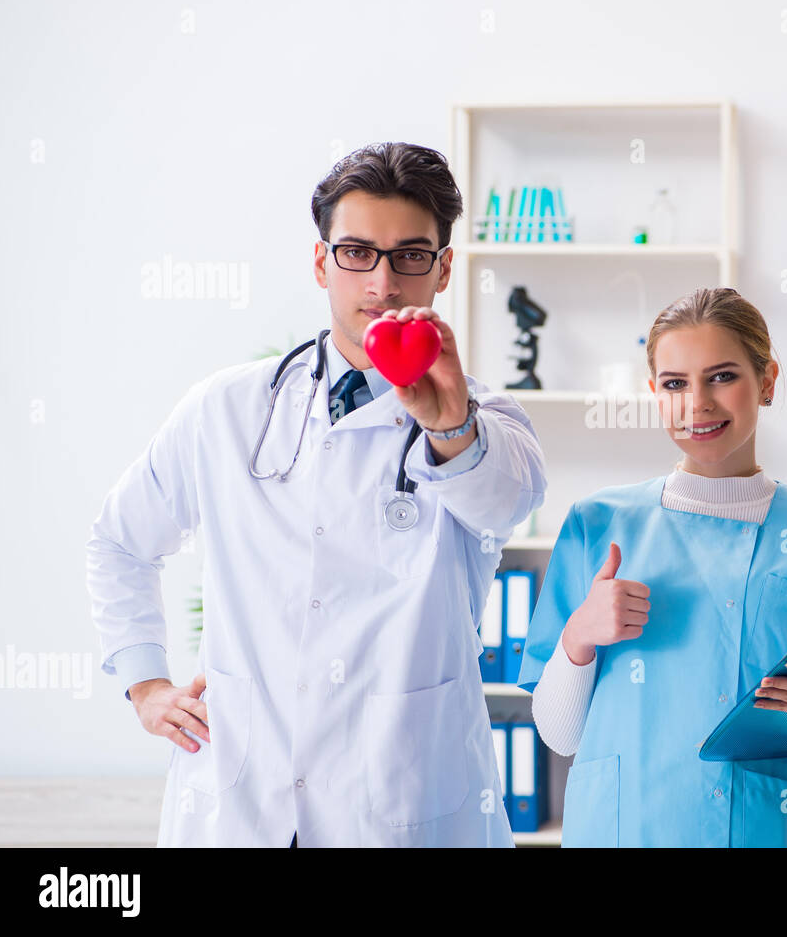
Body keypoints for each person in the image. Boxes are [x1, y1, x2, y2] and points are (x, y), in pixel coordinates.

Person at [86, 142, 546, 847]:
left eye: (410, 255)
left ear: (444, 268)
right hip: (241, 802)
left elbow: (503, 501)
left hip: (404, 806)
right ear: (321, 262)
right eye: (357, 252)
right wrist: (146, 683)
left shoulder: (485, 419)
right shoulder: (226, 409)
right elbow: (120, 538)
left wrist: (449, 423)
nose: (383, 282)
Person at [516, 287, 787, 847]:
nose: (696, 403)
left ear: (768, 382)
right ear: (655, 393)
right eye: (675, 384)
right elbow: (559, 734)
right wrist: (578, 637)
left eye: (722, 377)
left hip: (759, 830)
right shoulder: (597, 525)